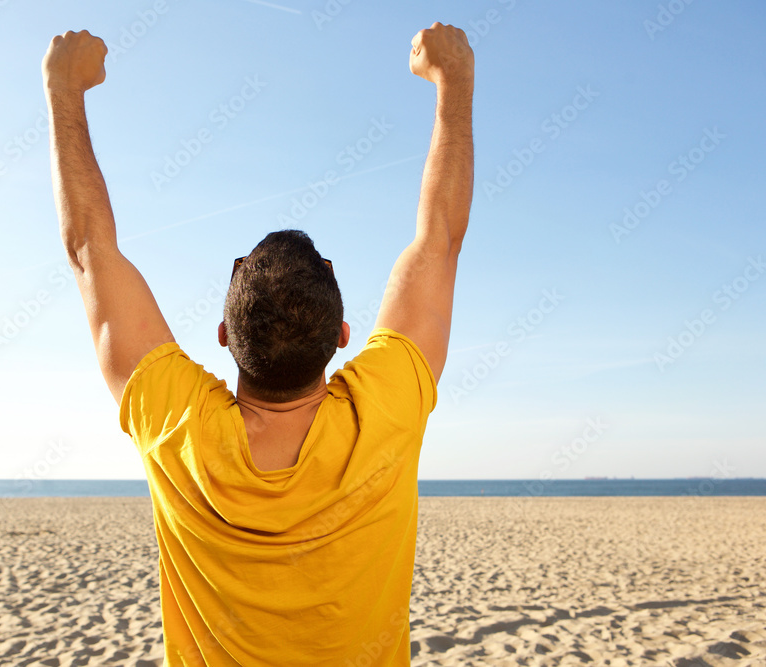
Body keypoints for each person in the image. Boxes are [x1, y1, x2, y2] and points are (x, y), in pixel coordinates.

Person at [42, 21, 474, 666]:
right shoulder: (387, 406)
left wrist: (62, 89)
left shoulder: (177, 423)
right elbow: (439, 238)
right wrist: (454, 81)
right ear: (342, 338)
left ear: (224, 336)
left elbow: (87, 249)